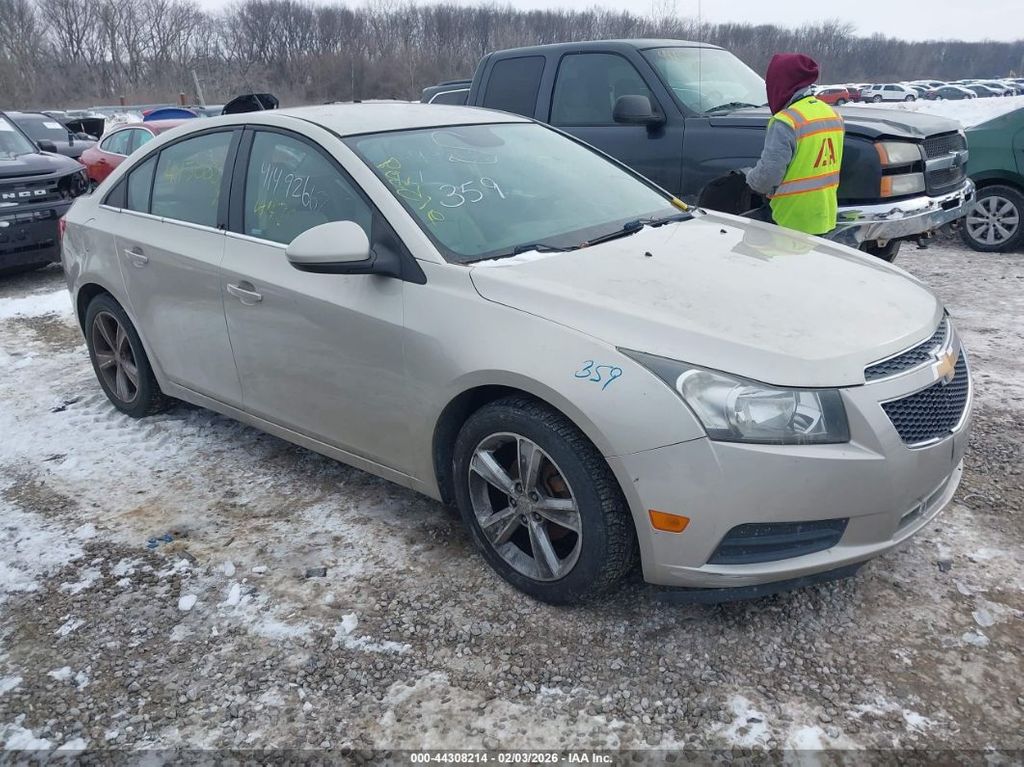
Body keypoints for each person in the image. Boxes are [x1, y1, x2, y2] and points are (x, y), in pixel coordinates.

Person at [743, 53, 845, 236]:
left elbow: (767, 178)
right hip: (823, 217)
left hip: (788, 221)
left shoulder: (786, 121)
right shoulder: (831, 114)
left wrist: (749, 177)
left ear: (781, 83)